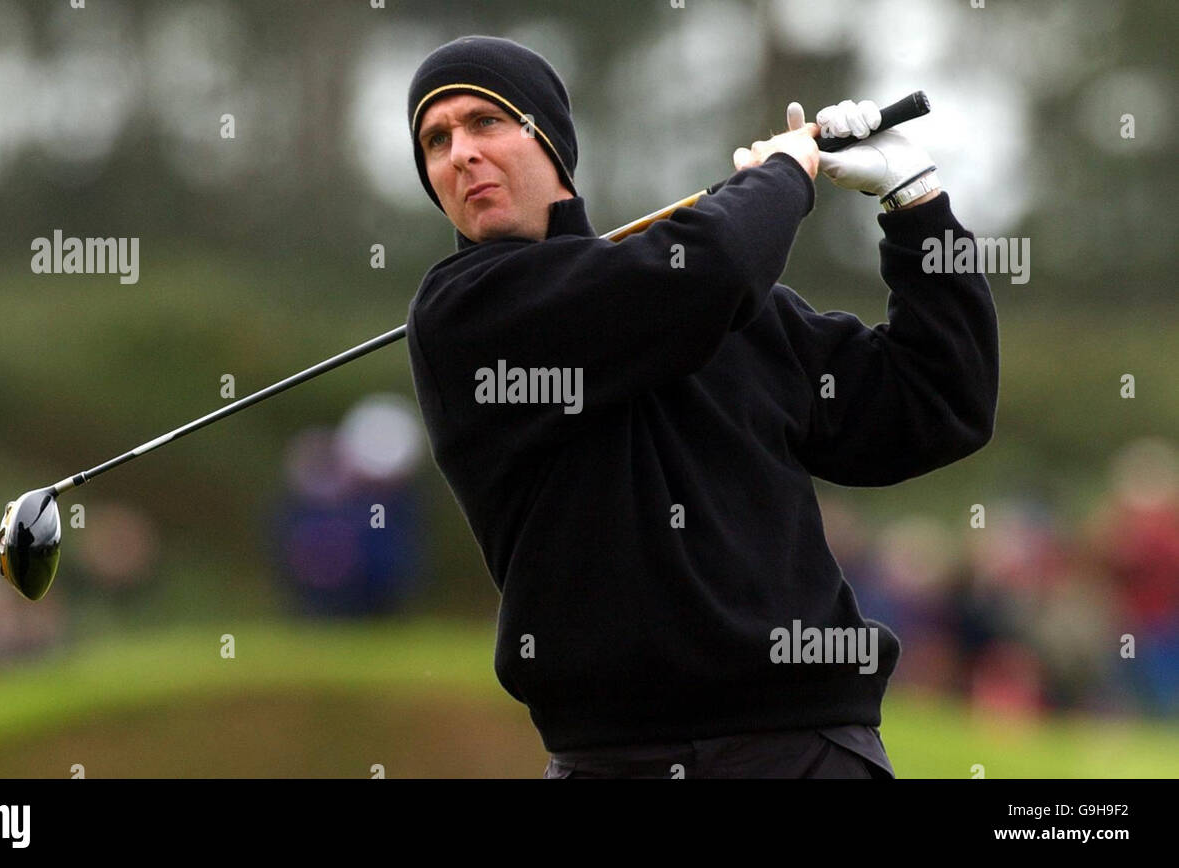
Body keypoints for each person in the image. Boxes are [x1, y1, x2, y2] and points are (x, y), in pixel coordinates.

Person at [403, 35, 999, 778]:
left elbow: (944, 399)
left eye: (485, 122)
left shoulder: (730, 308)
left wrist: (915, 202)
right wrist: (785, 172)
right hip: (614, 761)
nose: (460, 153)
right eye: (436, 140)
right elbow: (706, 272)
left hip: (808, 751)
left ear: (548, 139)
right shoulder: (464, 313)